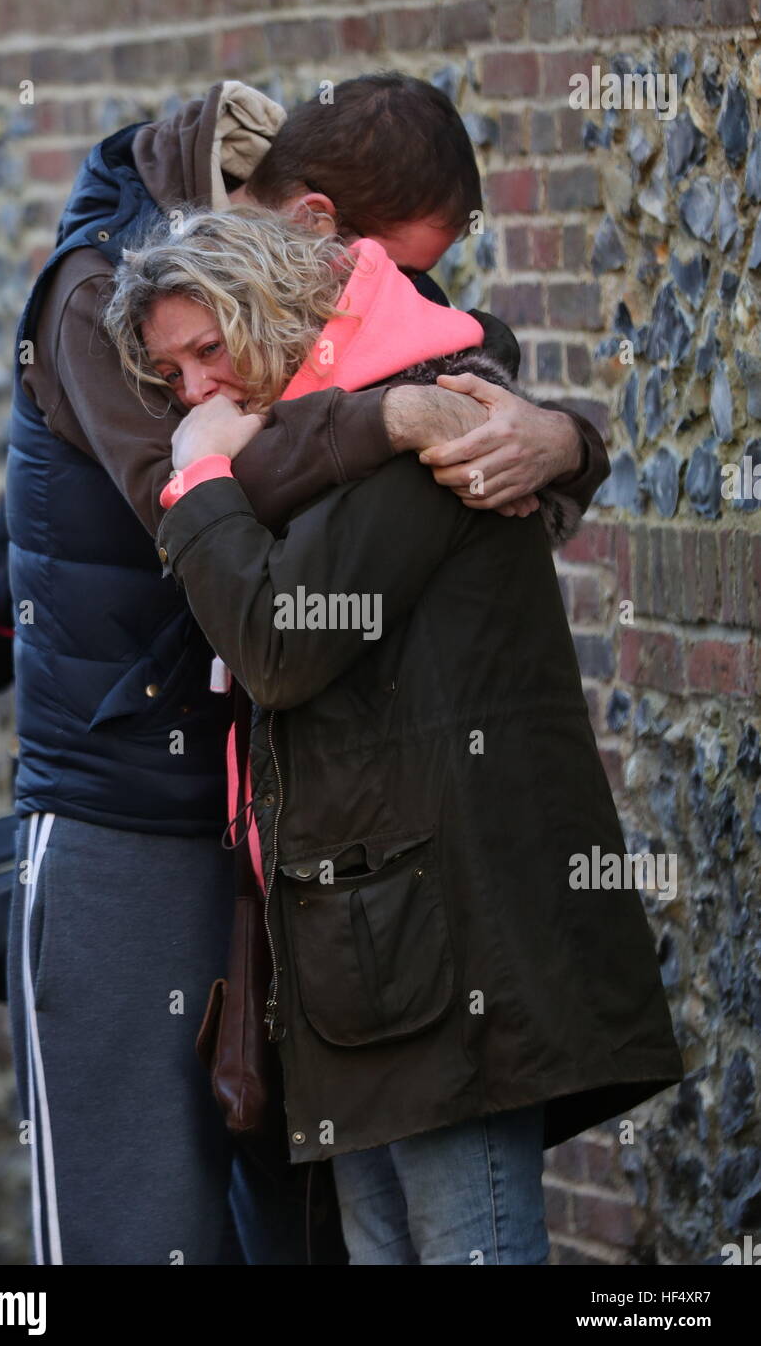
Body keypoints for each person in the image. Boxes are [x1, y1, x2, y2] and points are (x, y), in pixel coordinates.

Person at [5, 73, 610, 1265]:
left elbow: (458, 350)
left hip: (332, 855)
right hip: (135, 814)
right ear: (316, 230)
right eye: (179, 368)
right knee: (143, 1234)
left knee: (340, 1233)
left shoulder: (328, 300)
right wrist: (387, 423)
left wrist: (562, 436)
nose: (389, 296)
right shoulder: (103, 299)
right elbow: (194, 487)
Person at [105, 205, 685, 1266]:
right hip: (362, 951)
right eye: (171, 373)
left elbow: (280, 640)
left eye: (206, 349)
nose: (195, 391)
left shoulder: (412, 417)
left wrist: (197, 481)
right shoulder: (332, 424)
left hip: (440, 942)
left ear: (269, 310)